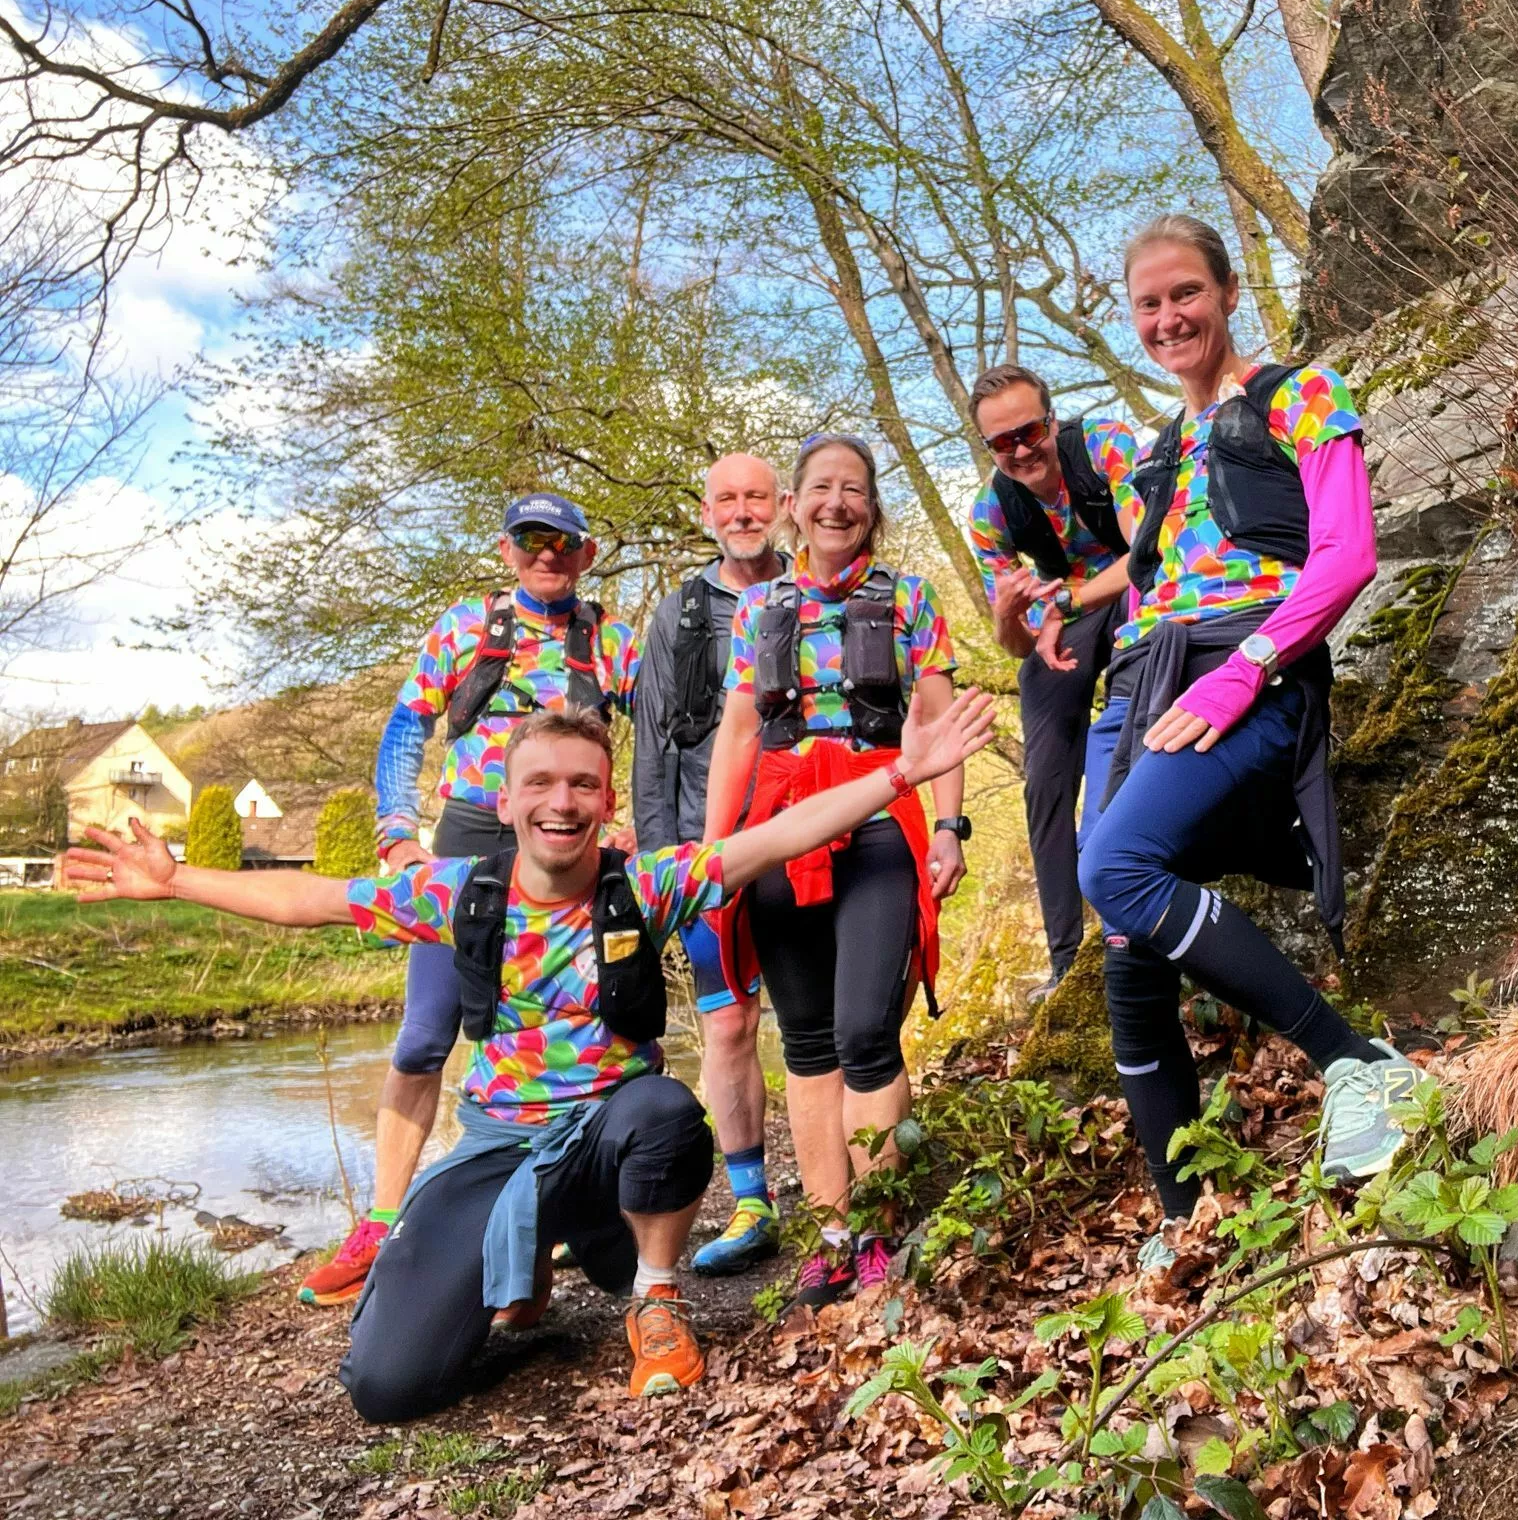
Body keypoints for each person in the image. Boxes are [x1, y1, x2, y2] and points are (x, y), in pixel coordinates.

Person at [63, 695, 997, 1421]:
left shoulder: (646, 885)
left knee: (666, 1113)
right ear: (505, 801)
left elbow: (775, 838)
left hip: (610, 1141)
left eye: (583, 785)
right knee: (387, 1387)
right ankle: (514, 1276)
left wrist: (901, 777)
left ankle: (654, 1297)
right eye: (541, 784)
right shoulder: (455, 891)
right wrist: (177, 877)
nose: (562, 803)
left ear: (605, 800)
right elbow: (316, 898)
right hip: (497, 1143)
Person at [1076, 215, 1425, 1268]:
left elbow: (1346, 554)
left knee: (1116, 868)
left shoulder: (1297, 393)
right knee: (1125, 938)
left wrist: (1247, 670)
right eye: (1146, 303)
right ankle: (1180, 1217)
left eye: (1184, 293)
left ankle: (1359, 1065)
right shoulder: (1155, 447)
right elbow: (1144, 583)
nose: (1166, 316)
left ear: (1226, 294)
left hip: (1244, 671)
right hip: (1135, 686)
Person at [299, 494, 638, 1308]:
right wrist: (395, 832)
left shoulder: (612, 640)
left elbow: (660, 732)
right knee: (425, 1035)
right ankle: (382, 1223)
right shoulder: (466, 627)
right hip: (469, 836)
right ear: (508, 548)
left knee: (559, 1025)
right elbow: (406, 727)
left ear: (586, 555)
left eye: (564, 543)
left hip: (567, 844)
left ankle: (545, 1219)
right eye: (532, 540)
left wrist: (639, 830)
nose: (547, 554)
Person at [702, 432, 967, 1309]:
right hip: (779, 824)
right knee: (806, 1038)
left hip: (880, 809)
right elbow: (739, 734)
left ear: (871, 508)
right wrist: (717, 854)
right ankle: (831, 1234)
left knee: (863, 1030)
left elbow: (937, 725)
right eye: (820, 488)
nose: (836, 504)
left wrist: (950, 830)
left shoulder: (909, 600)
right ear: (795, 506)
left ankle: (882, 1228)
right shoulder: (757, 611)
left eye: (853, 490)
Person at [631, 453, 790, 1276]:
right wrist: (662, 858)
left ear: (783, 505)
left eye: (756, 497)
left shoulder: (817, 595)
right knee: (727, 1023)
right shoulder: (679, 615)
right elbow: (653, 740)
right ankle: (753, 1201)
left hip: (807, 835)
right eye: (726, 499)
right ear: (706, 513)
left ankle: (853, 1194)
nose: (742, 511)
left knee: (814, 1016)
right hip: (708, 848)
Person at [966, 365, 1142, 995]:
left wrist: (1066, 602)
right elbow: (1016, 645)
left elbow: (1151, 552)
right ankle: (1067, 955)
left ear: (1052, 420)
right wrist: (1007, 613)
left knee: (1125, 741)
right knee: (1044, 778)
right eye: (1001, 442)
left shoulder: (1108, 446)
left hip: (1133, 591)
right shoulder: (990, 513)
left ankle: (1137, 903)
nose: (1021, 449)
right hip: (1065, 616)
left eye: (1030, 430)